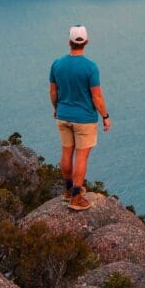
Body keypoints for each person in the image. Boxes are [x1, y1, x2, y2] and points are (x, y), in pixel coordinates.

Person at [49, 23, 110, 212]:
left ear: (69, 42)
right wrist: (105, 116)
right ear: (86, 42)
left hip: (63, 115)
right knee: (81, 157)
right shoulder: (90, 67)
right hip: (84, 119)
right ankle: (76, 197)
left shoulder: (57, 64)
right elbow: (96, 97)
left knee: (66, 152)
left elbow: (53, 92)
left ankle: (68, 190)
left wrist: (56, 109)